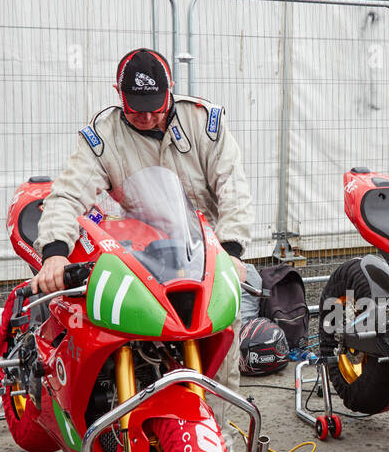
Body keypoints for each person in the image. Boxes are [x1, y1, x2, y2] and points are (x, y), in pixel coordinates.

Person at [31, 48, 257, 427]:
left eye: (156, 105)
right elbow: (68, 195)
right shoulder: (102, 137)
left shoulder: (205, 123)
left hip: (204, 255)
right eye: (137, 108)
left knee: (222, 359)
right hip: (141, 259)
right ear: (120, 99)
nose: (148, 115)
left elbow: (233, 187)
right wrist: (54, 253)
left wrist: (232, 250)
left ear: (171, 93)